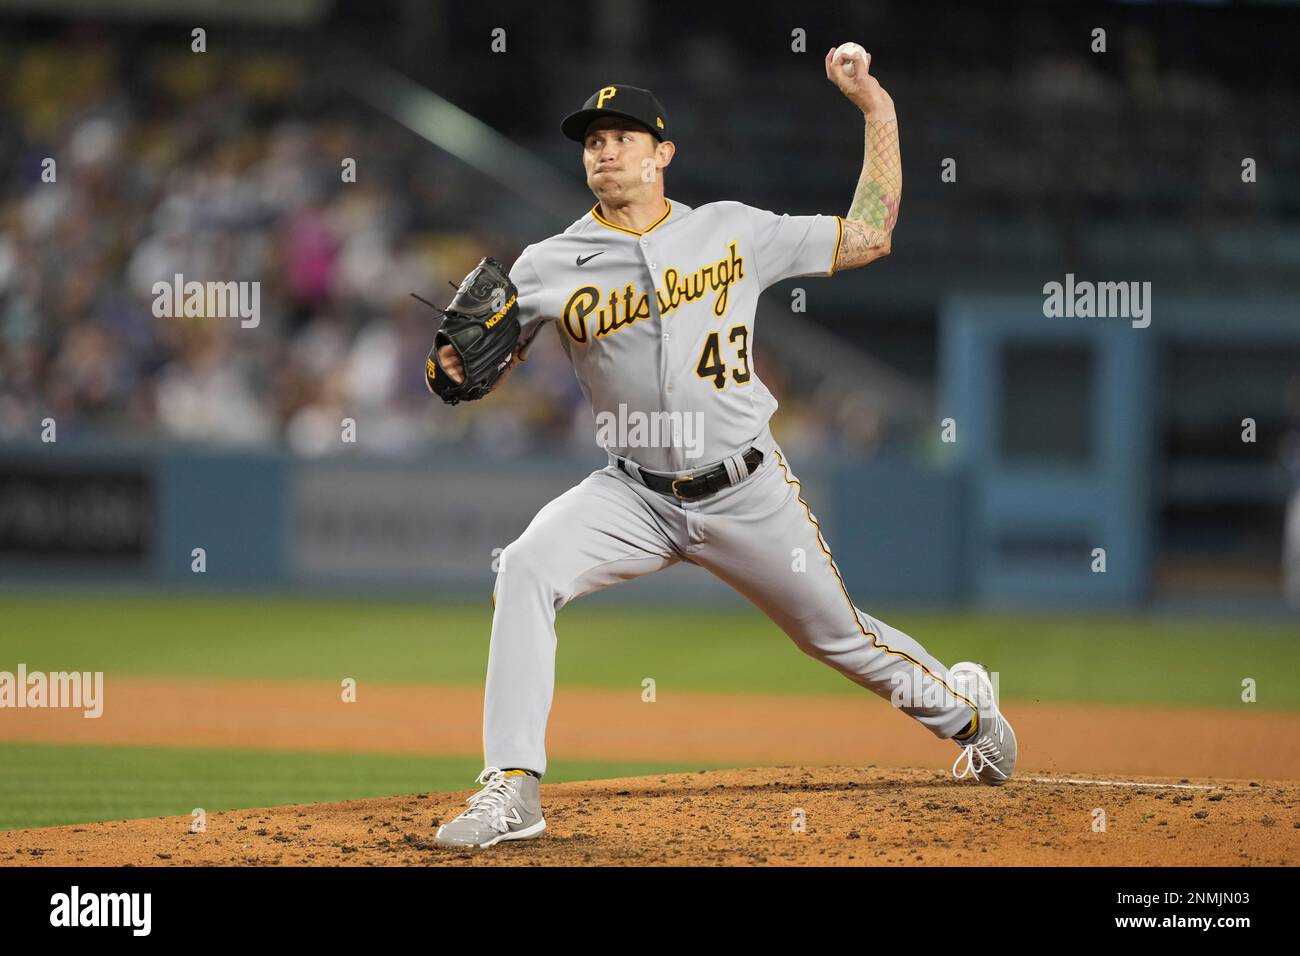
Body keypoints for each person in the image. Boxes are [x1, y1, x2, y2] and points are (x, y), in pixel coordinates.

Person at [433, 48, 1017, 850]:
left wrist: (877, 111)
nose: (605, 149)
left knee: (839, 638)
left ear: (663, 153)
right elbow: (482, 366)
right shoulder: (547, 264)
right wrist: (453, 369)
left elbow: (871, 235)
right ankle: (513, 788)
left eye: (623, 135)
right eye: (592, 139)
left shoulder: (732, 231)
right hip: (631, 493)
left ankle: (970, 714)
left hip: (746, 489)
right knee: (527, 565)